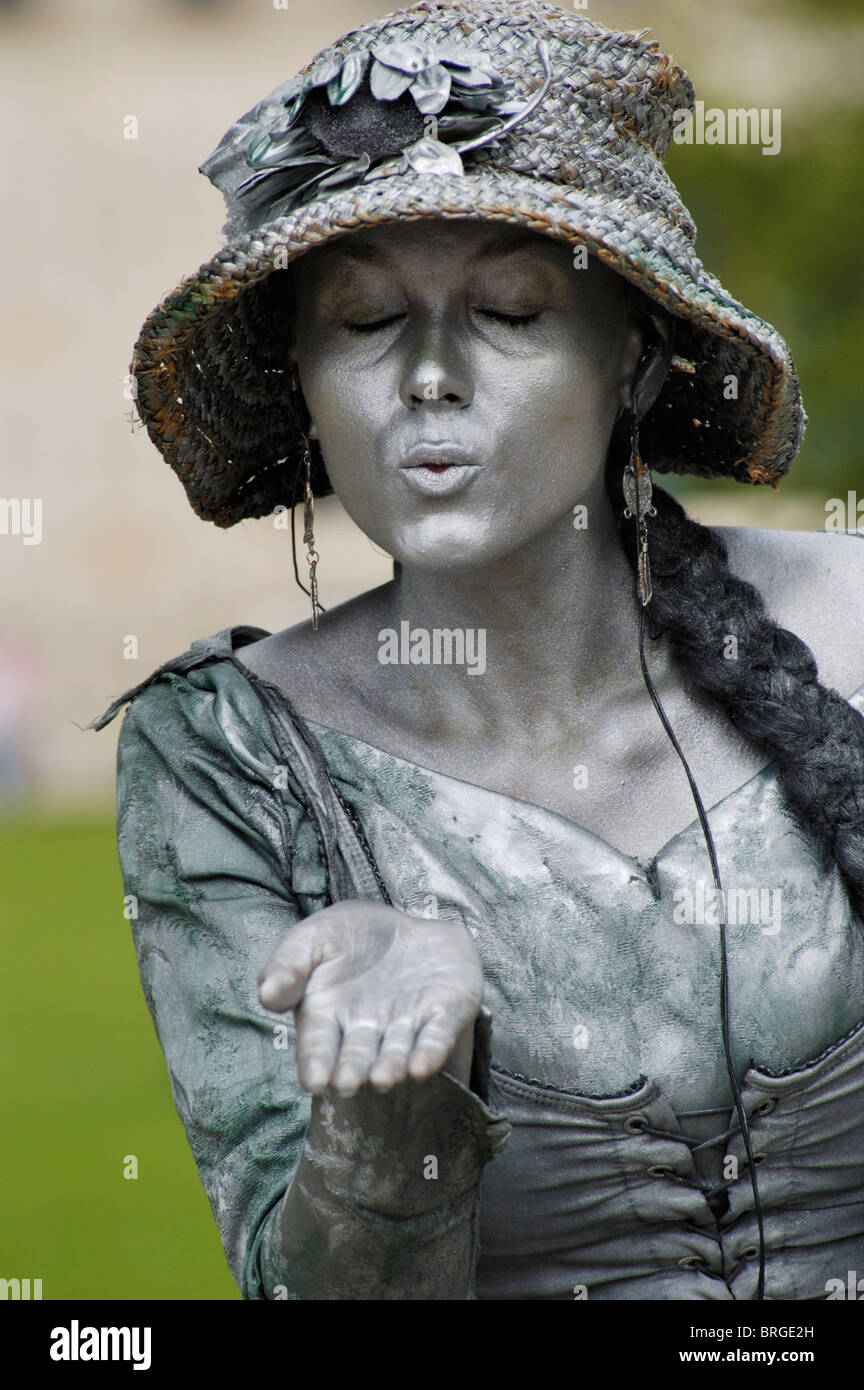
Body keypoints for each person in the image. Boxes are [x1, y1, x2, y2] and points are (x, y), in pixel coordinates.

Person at [91, 0, 864, 1301]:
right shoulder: (233, 756)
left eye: (509, 307)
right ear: (302, 375)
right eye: (363, 319)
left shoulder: (853, 624)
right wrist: (388, 1124)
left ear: (634, 352)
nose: (432, 375)